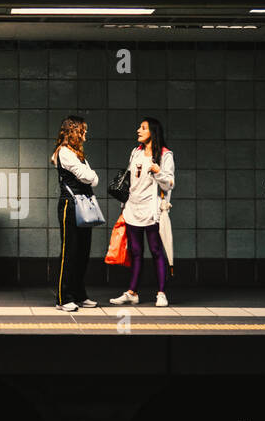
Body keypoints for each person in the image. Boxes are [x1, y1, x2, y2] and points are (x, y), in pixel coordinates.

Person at [110, 118, 175, 307]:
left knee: (156, 250)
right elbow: (131, 180)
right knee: (136, 251)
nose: (138, 130)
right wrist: (124, 205)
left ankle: (161, 293)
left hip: (151, 210)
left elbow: (170, 184)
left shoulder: (165, 155)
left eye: (143, 128)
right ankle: (132, 292)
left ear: (153, 132)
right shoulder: (136, 152)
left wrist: (158, 172)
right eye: (139, 127)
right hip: (133, 207)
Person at [51, 115, 100, 312]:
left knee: (82, 252)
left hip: (82, 205)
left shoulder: (78, 155)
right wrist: (92, 175)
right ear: (74, 131)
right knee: (69, 252)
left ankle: (79, 294)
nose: (85, 134)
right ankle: (63, 298)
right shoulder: (63, 152)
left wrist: (91, 176)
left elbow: (91, 178)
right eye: (83, 130)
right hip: (69, 206)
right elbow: (87, 176)